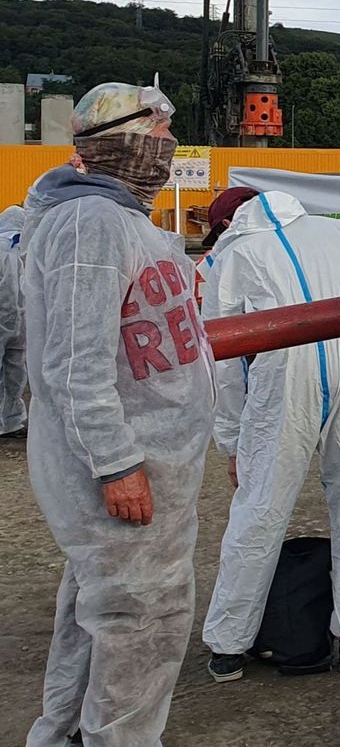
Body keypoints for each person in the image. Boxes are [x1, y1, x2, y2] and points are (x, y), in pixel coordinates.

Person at [18, 84, 213, 747]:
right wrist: (116, 462)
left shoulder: (124, 221)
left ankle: (66, 734)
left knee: (98, 610)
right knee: (142, 619)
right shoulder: (90, 222)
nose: (168, 144)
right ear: (124, 140)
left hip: (151, 469)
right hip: (128, 472)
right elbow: (74, 363)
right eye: (159, 132)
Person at [200, 188, 340, 682]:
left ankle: (229, 645)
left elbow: (223, 362)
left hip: (283, 378)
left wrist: (232, 442)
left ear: (228, 225)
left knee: (259, 509)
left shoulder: (234, 255)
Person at [0, 204, 24, 439]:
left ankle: (12, 421)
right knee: (12, 372)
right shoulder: (7, 250)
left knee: (15, 373)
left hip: (17, 322)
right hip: (10, 321)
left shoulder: (22, 249)